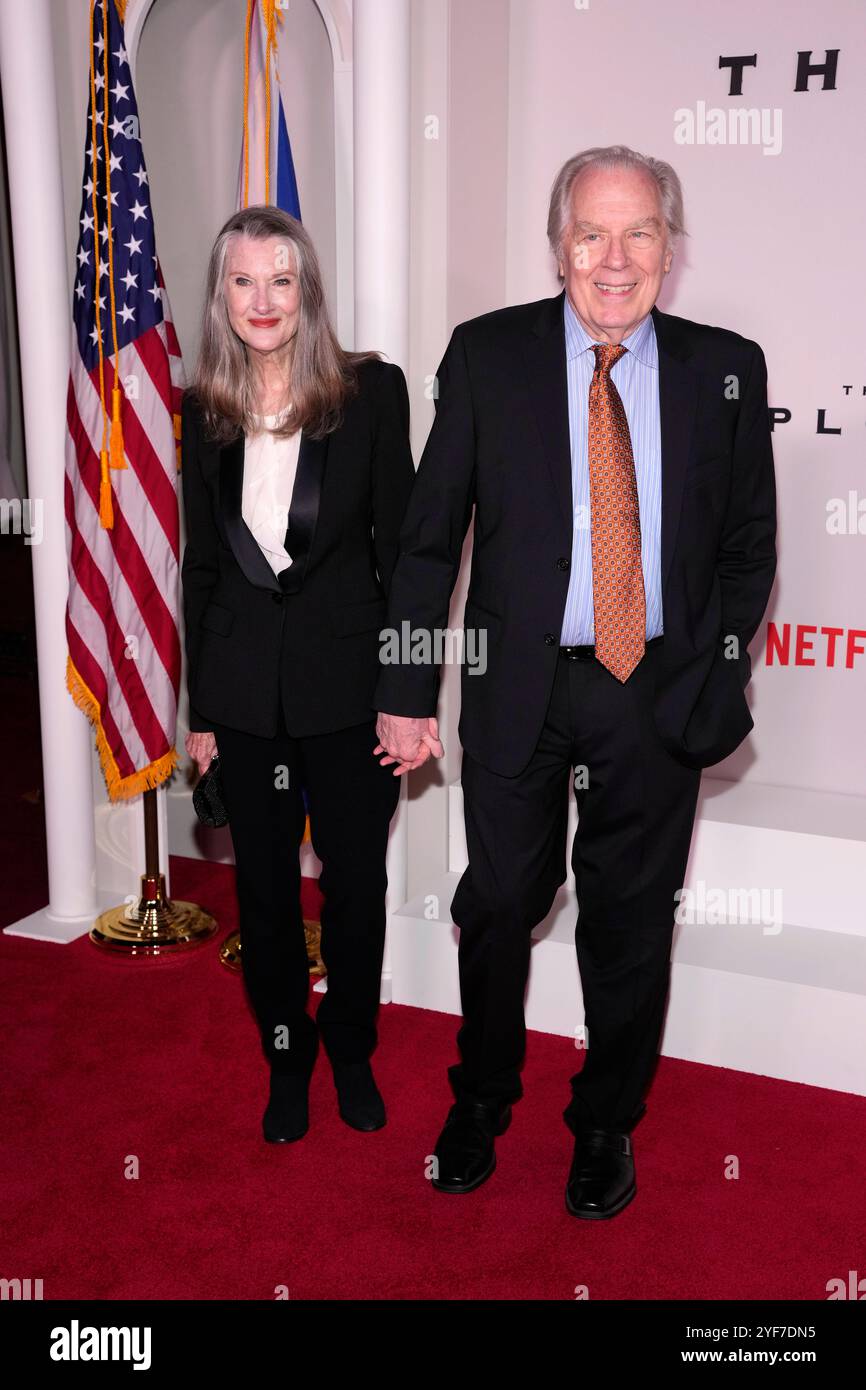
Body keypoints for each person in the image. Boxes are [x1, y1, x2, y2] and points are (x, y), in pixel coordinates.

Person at [372, 145, 776, 1217]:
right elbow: (425, 542)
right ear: (558, 244)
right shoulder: (486, 355)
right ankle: (483, 1094)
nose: (612, 258)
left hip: (653, 691)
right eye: (590, 233)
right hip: (518, 687)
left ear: (668, 249)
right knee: (500, 898)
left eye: (637, 232)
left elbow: (746, 546)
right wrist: (407, 689)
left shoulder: (724, 368)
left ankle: (603, 1122)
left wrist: (717, 675)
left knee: (630, 917)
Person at [181, 205, 415, 1144]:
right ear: (221, 296)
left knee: (355, 883)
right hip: (242, 696)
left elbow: (404, 556)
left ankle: (350, 1047)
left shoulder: (370, 392)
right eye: (243, 281)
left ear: (307, 289)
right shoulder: (200, 409)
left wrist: (405, 696)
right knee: (265, 891)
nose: (262, 299)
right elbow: (203, 568)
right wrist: (202, 709)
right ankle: (288, 1055)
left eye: (281, 280)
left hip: (351, 690)